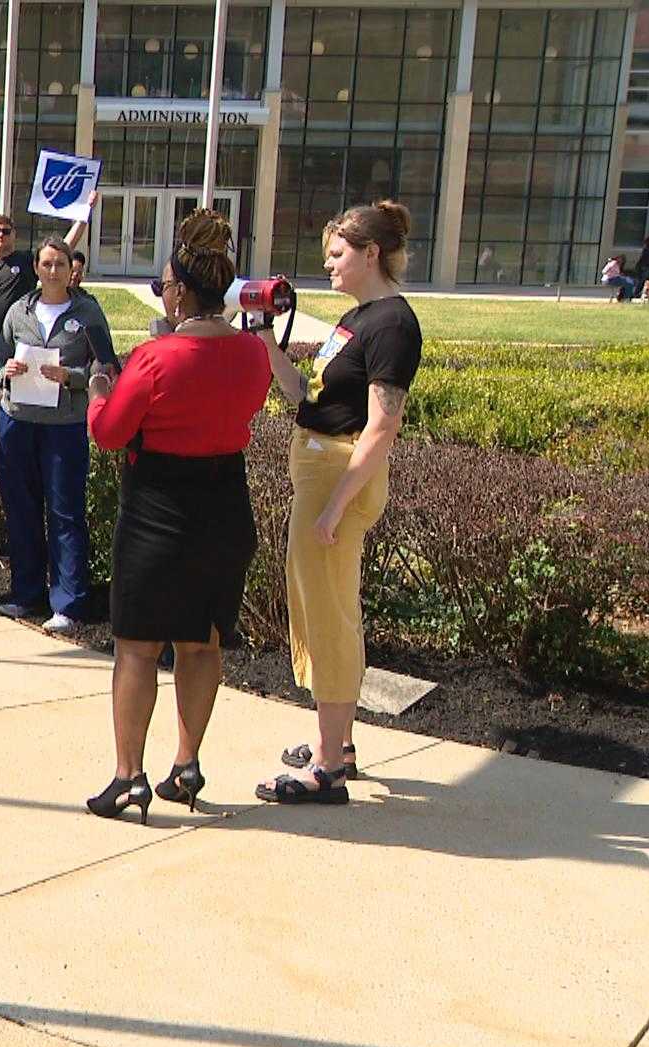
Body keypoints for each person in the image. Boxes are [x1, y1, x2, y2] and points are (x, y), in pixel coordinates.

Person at [82, 209, 271, 823]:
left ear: (181, 290)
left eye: (165, 283)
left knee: (137, 649)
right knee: (202, 641)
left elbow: (110, 434)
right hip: (225, 505)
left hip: (158, 507)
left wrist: (97, 392)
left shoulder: (156, 358)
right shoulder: (253, 355)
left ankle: (127, 776)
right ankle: (186, 766)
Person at [256, 201, 422, 806]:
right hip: (321, 470)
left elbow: (382, 426)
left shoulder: (393, 325)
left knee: (327, 617)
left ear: (370, 254)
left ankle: (326, 767)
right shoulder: (358, 318)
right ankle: (339, 742)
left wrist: (334, 509)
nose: (327, 263)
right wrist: (268, 346)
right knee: (323, 607)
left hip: (336, 477)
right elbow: (306, 391)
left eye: (337, 253)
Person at [0, 237, 119, 632]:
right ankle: (26, 594)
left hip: (62, 427)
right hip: (17, 422)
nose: (53, 271)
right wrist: (6, 373)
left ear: (71, 269)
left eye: (60, 264)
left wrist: (73, 376)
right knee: (22, 509)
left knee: (65, 512)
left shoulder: (88, 312)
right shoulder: (18, 311)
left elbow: (107, 365)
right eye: (46, 264)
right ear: (36, 267)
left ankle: (68, 602)